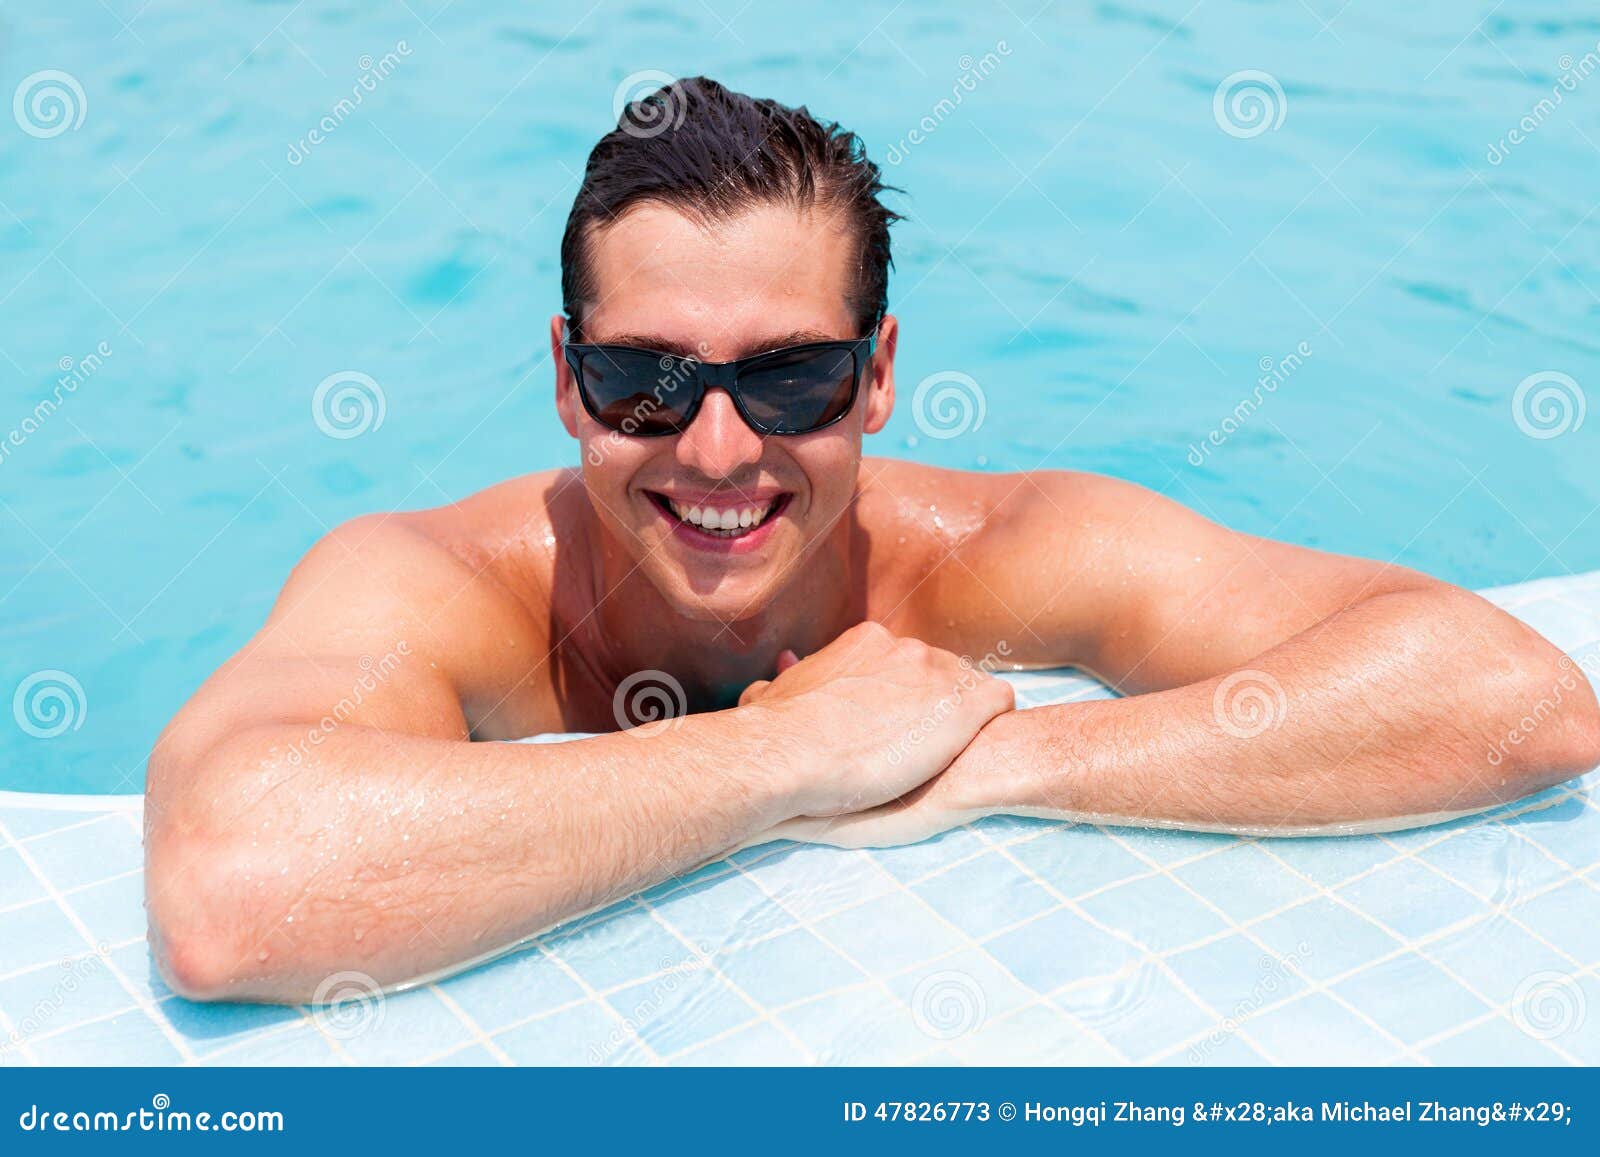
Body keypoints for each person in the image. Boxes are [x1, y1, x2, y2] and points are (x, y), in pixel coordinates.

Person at [145, 77, 1600, 1003]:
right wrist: (787, 758)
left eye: (789, 379)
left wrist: (995, 761)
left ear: (881, 372)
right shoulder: (437, 586)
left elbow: (1513, 697)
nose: (718, 450)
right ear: (564, 377)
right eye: (646, 380)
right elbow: (231, 888)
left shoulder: (1006, 551)